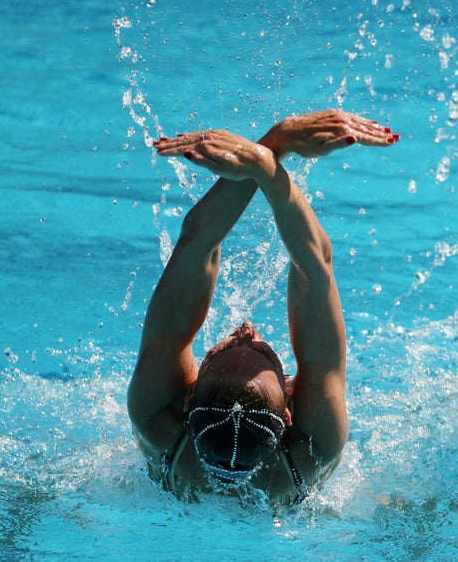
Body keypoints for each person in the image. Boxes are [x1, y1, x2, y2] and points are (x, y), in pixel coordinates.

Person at [127, 109, 398, 502]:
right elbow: (314, 266)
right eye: (264, 353)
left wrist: (270, 150)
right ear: (290, 412)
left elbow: (194, 247)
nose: (247, 329)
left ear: (187, 398)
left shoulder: (155, 422)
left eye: (227, 347)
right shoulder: (314, 450)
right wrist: (270, 154)